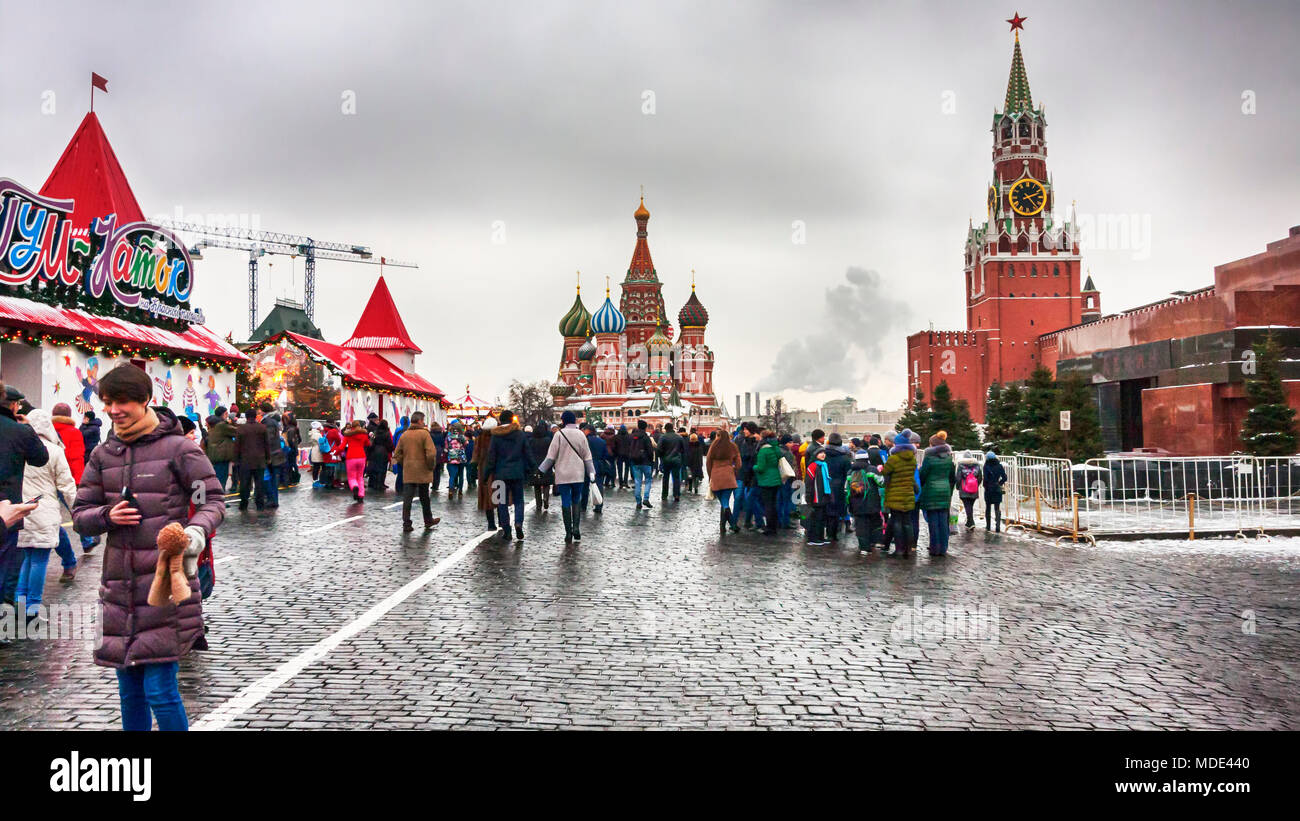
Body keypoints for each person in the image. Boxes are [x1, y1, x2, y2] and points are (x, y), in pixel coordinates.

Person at [72, 363, 224, 731]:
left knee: (160, 690)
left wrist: (194, 534)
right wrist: (107, 515)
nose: (113, 410)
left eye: (122, 401)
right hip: (119, 591)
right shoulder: (103, 454)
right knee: (130, 692)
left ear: (145, 401)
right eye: (108, 402)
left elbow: (212, 501)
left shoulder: (179, 450)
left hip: (164, 588)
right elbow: (80, 514)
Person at [15, 409, 76, 619]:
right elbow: (66, 486)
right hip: (44, 510)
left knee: (26, 558)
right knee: (39, 560)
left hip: (20, 510)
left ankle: (19, 602)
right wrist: (76, 510)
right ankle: (32, 606)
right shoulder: (54, 451)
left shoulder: (17, 447)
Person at [0, 383, 49, 612]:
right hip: (7, 510)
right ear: (13, 405)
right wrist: (28, 430)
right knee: (4, 569)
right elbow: (40, 458)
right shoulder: (19, 431)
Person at [537, 410, 596, 543]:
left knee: (565, 500)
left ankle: (568, 532)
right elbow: (587, 456)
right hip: (578, 474)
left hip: (563, 474)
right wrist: (591, 472)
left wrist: (541, 470)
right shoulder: (581, 435)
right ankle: (576, 528)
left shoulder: (559, 434)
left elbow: (551, 456)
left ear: (563, 421)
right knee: (576, 499)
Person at [485, 410, 533, 541]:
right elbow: (527, 453)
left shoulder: (496, 436)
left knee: (501, 502)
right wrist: (534, 469)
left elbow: (491, 457)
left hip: (500, 474)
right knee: (518, 500)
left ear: (500, 420)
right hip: (517, 473)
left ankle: (506, 529)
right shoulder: (520, 434)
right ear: (512, 420)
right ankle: (518, 523)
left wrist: (486, 474)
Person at [390, 411, 439, 532]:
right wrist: (430, 466)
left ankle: (406, 523)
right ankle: (428, 520)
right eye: (423, 420)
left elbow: (397, 454)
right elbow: (431, 453)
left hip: (409, 470)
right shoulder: (424, 434)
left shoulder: (405, 435)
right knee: (424, 497)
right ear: (420, 421)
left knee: (407, 498)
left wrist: (405, 463)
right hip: (423, 470)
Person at [882, 430, 919, 558]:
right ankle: (908, 550)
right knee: (907, 522)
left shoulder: (893, 459)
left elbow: (885, 472)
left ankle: (899, 550)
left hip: (895, 494)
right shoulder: (912, 460)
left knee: (897, 522)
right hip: (908, 494)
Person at [919, 432, 957, 556]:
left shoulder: (929, 459)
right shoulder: (949, 459)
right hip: (945, 491)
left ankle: (935, 548)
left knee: (933, 521)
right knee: (943, 520)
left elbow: (922, 476)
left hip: (931, 491)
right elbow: (952, 478)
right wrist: (949, 490)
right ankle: (944, 547)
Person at [846, 448, 887, 552]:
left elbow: (847, 488)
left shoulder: (850, 471)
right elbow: (881, 483)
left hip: (856, 503)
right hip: (872, 502)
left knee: (861, 525)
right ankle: (876, 542)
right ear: (867, 458)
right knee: (875, 522)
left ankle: (864, 547)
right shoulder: (872, 469)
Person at [705, 425, 741, 535]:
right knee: (725, 500)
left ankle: (729, 525)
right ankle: (727, 525)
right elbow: (739, 462)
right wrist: (734, 470)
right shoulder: (733, 446)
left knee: (724, 502)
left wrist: (710, 475)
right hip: (729, 475)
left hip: (716, 475)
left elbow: (708, 462)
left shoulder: (714, 446)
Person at [233, 409, 271, 511]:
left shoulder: (241, 429)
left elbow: (237, 446)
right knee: (259, 483)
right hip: (260, 460)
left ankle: (244, 503)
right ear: (255, 416)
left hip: (245, 461)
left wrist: (235, 460)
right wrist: (268, 458)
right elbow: (266, 444)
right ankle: (260, 503)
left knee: (245, 483)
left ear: (246, 416)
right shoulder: (262, 428)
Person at [753, 429, 784, 536]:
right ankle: (774, 527)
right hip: (776, 479)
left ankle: (769, 528)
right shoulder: (776, 448)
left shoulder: (763, 450)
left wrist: (754, 467)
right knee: (773, 504)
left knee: (768, 505)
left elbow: (761, 467)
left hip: (766, 481)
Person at [823, 433, 852, 541]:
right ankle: (832, 535)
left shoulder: (822, 455)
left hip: (823, 486)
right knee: (835, 512)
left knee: (824, 510)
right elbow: (848, 474)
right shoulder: (844, 458)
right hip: (838, 487)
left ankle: (823, 533)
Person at [204, 406, 238, 493]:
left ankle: (217, 498)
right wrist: (234, 422)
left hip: (215, 455)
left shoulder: (214, 424)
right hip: (222, 456)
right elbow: (237, 432)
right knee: (221, 479)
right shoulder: (222, 425)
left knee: (218, 478)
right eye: (226, 413)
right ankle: (219, 499)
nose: (227, 415)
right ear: (222, 414)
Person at [804, 449, 833, 546]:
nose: (823, 454)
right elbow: (808, 482)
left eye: (824, 453)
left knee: (822, 517)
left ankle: (820, 537)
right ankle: (813, 538)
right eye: (820, 453)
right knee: (815, 517)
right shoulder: (813, 466)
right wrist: (809, 497)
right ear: (815, 454)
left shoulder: (824, 465)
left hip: (823, 496)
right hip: (815, 496)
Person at [472, 419, 497, 531]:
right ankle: (502, 521)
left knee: (486, 498)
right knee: (499, 496)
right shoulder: (498, 438)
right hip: (497, 470)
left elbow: (475, 456)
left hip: (483, 470)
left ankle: (491, 524)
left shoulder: (479, 439)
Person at [581, 423, 609, 514]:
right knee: (598, 485)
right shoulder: (602, 441)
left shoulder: (584, 441)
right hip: (598, 465)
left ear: (588, 431)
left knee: (584, 486)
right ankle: (599, 505)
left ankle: (583, 506)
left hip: (585, 465)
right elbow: (606, 455)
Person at [628, 419, 656, 509]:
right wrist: (652, 461)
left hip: (635, 462)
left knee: (637, 482)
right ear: (645, 427)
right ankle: (646, 498)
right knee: (648, 480)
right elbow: (650, 450)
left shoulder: (631, 437)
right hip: (646, 462)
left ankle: (638, 502)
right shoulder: (645, 437)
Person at [341, 420, 371, 501]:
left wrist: (336, 453)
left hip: (351, 457)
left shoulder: (348, 435)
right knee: (360, 477)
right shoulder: (364, 434)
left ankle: (354, 487)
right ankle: (361, 495)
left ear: (351, 427)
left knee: (351, 477)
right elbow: (368, 444)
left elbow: (342, 446)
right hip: (361, 457)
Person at [527, 423, 553, 511]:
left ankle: (538, 505)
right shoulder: (548, 440)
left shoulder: (531, 440)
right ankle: (546, 497)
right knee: (546, 484)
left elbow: (528, 453)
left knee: (536, 486)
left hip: (535, 465)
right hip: (546, 464)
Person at [955, 451, 983, 529]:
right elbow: (980, 477)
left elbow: (958, 478)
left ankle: (971, 522)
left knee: (967, 506)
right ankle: (969, 522)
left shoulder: (961, 465)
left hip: (964, 489)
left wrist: (958, 487)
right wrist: (976, 485)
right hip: (974, 489)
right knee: (970, 505)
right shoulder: (977, 465)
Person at [982, 451, 1007, 532]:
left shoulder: (986, 466)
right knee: (997, 507)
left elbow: (985, 479)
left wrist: (985, 486)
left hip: (989, 489)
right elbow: (1004, 477)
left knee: (988, 507)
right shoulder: (999, 466)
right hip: (997, 489)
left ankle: (988, 526)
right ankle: (998, 526)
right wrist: (999, 483)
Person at [366, 419, 394, 491]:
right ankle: (380, 484)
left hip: (374, 452)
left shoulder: (375, 432)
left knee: (374, 468)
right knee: (382, 469)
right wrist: (391, 449)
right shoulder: (387, 433)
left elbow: (371, 443)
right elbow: (389, 444)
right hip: (383, 452)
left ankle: (373, 483)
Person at [444, 422, 469, 498]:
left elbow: (446, 446)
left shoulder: (448, 436)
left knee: (452, 475)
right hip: (461, 457)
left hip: (451, 457)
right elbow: (466, 443)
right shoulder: (461, 436)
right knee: (461, 474)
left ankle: (451, 491)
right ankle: (460, 492)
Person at [429, 422, 446, 493]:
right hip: (440, 451)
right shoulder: (441, 434)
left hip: (432, 451)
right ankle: (437, 485)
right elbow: (443, 443)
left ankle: (433, 483)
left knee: (433, 469)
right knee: (438, 470)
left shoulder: (430, 434)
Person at [614, 424, 632, 489]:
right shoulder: (629, 436)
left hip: (619, 455)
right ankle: (625, 482)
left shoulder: (616, 437)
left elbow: (614, 447)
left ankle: (621, 483)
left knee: (619, 469)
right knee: (627, 469)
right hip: (627, 455)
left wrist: (615, 454)